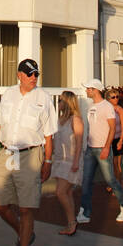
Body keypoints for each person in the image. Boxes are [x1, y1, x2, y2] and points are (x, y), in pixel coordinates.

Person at [0, 58, 58, 246]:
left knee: (26, 208)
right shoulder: (8, 94)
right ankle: (24, 233)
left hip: (30, 155)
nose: (33, 77)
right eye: (29, 74)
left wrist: (48, 161)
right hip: (6, 153)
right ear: (19, 75)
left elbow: (49, 135)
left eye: (36, 74)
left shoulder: (43, 98)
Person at [75, 79, 123, 225]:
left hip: (103, 148)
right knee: (86, 181)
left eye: (88, 88)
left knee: (110, 180)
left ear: (95, 90)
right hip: (90, 148)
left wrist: (107, 147)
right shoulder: (91, 106)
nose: (86, 91)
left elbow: (112, 128)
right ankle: (85, 211)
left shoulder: (107, 107)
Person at [49, 91, 83, 236]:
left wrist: (76, 161)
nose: (59, 103)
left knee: (60, 192)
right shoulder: (60, 119)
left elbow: (80, 142)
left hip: (70, 160)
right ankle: (71, 222)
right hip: (59, 159)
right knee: (67, 192)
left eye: (61, 100)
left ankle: (72, 222)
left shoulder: (76, 120)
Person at [106, 87, 123, 185]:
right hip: (108, 139)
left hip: (117, 139)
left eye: (117, 97)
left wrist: (121, 140)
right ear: (108, 99)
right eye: (113, 97)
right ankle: (113, 183)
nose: (116, 99)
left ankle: (119, 184)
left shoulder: (120, 110)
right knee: (109, 164)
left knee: (116, 164)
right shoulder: (106, 109)